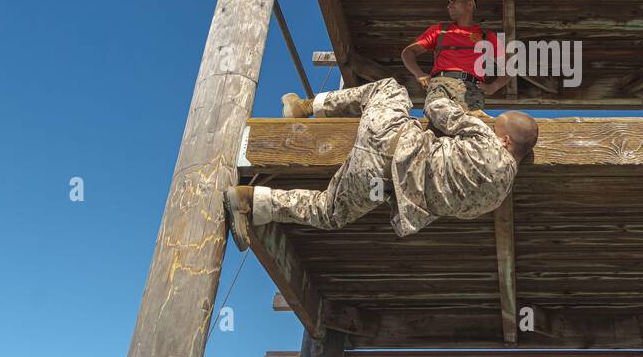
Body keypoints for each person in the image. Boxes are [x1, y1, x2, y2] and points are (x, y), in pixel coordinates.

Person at [224, 77, 537, 243]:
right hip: (378, 184)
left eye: (498, 125)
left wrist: (473, 115)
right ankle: (248, 201)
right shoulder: (496, 198)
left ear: (506, 140)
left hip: (387, 136)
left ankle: (305, 107)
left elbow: (435, 108)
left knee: (389, 88)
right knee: (328, 211)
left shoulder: (484, 136)